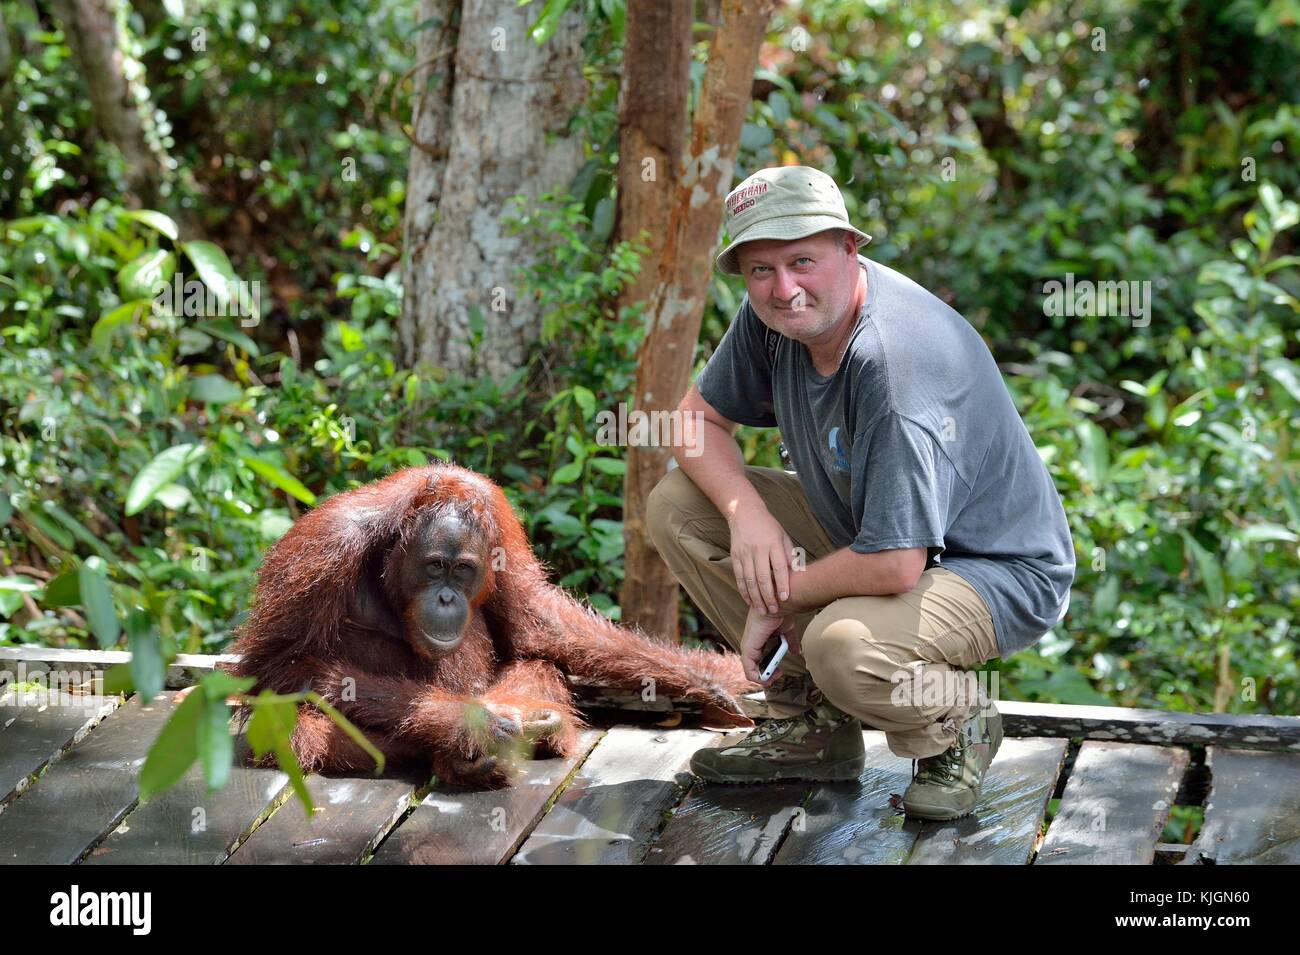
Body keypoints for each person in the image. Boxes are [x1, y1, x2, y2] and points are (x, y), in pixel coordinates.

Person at [646, 165, 1075, 820]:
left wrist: (776, 596)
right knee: (679, 505)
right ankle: (810, 725)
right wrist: (745, 514)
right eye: (760, 270)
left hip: (991, 568)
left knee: (843, 646)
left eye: (801, 261)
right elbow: (694, 421)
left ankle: (957, 721)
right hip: (874, 529)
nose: (784, 287)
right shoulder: (777, 316)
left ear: (849, 249)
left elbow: (896, 563)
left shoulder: (891, 363)